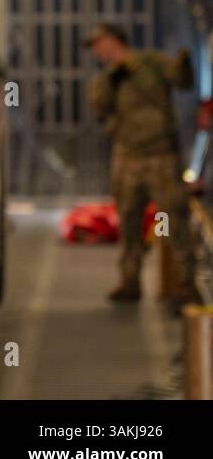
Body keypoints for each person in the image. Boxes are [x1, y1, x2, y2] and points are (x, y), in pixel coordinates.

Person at [85, 23, 196, 313]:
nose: (98, 51)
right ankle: (129, 281)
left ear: (115, 39)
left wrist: (185, 62)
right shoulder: (107, 78)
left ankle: (185, 285)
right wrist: (113, 80)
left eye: (101, 43)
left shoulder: (152, 63)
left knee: (175, 220)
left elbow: (181, 79)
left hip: (161, 156)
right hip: (127, 157)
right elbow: (99, 108)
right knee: (129, 221)